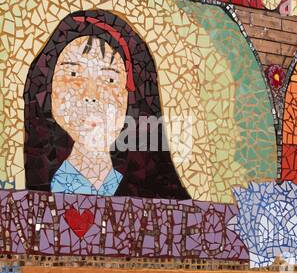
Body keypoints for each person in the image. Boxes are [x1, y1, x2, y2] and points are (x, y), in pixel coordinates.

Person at [23, 10, 189, 200]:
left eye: (109, 79)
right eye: (73, 74)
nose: (90, 95)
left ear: (130, 96)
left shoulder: (165, 199)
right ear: (48, 85)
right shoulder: (34, 189)